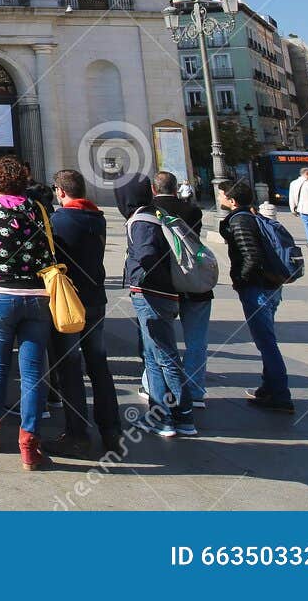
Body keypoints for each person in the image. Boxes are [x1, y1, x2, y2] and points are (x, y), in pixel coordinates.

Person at [0, 155, 56, 469]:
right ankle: (28, 442)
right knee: (33, 370)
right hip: (36, 294)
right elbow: (49, 248)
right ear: (24, 181)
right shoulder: (38, 211)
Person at [48, 168, 122, 456]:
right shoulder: (98, 218)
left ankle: (77, 433)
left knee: (69, 367)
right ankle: (111, 430)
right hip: (96, 301)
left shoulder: (59, 220)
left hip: (70, 304)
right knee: (99, 367)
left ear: (61, 192)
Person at [120, 172, 196, 438]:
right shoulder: (159, 215)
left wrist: (142, 276)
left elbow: (145, 254)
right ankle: (174, 414)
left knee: (159, 356)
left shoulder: (141, 220)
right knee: (159, 354)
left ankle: (170, 416)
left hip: (151, 293)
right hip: (166, 293)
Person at [217, 179, 295, 412]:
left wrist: (240, 280)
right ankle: (268, 387)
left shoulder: (239, 220)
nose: (219, 198)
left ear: (232, 201)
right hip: (270, 286)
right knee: (266, 339)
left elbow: (251, 256)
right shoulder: (251, 217)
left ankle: (281, 395)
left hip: (257, 288)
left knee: (266, 342)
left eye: (222, 195)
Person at [153, 169, 212, 409]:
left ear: (154, 189)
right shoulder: (193, 210)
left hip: (162, 282)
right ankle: (195, 390)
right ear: (176, 188)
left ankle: (160, 388)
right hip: (193, 279)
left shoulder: (149, 211)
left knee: (157, 339)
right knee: (197, 339)